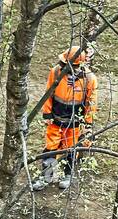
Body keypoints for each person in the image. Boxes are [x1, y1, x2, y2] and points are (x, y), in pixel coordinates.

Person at [35, 45, 97, 191]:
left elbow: (91, 103)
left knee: (71, 149)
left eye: (65, 64)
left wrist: (87, 123)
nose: (62, 66)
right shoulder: (55, 72)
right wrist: (47, 114)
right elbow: (48, 93)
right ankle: (46, 176)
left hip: (74, 123)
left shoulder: (89, 79)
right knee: (50, 148)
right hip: (55, 119)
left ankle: (67, 175)